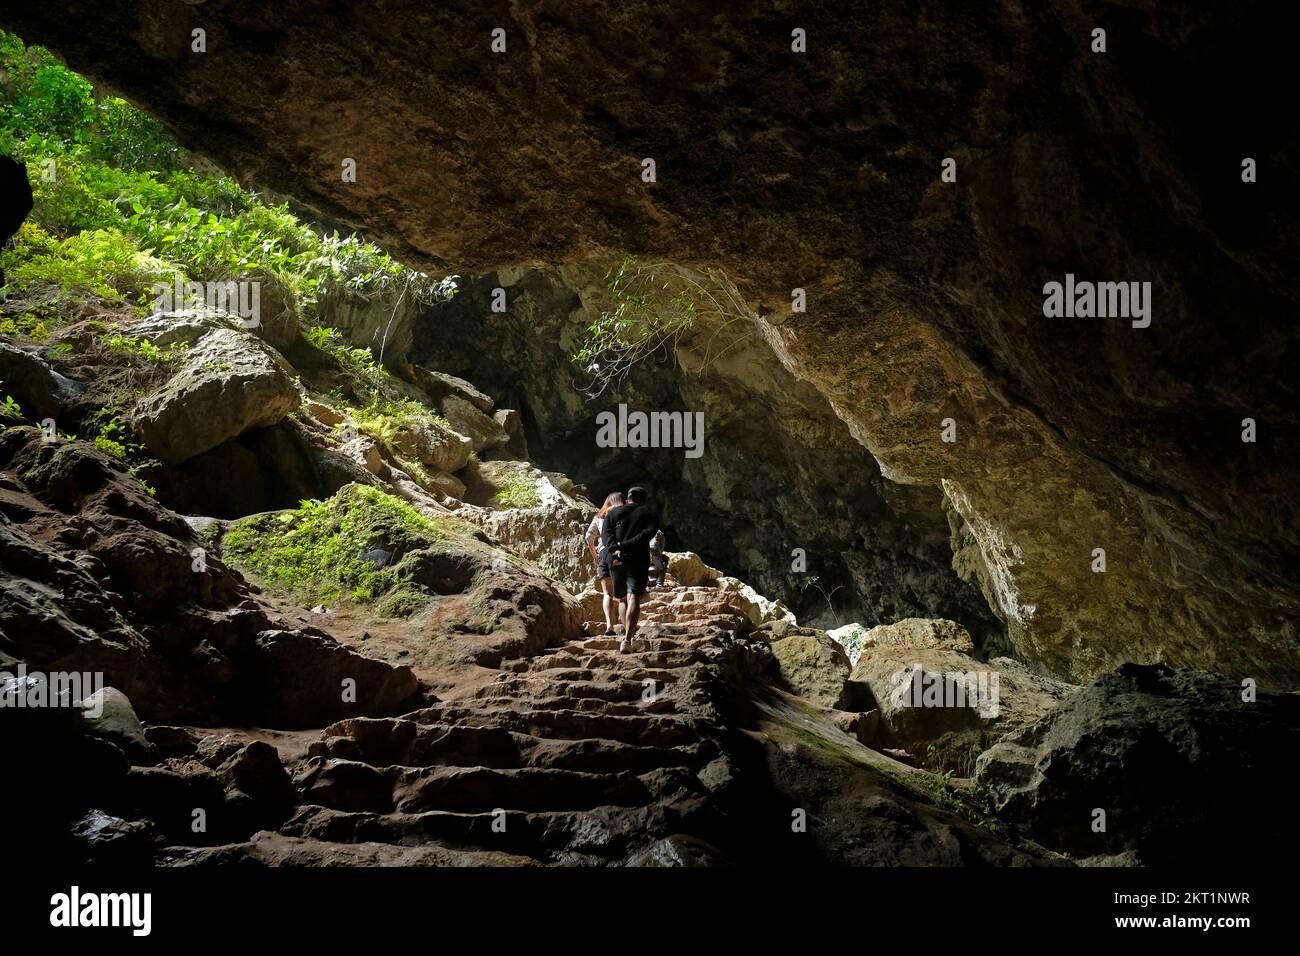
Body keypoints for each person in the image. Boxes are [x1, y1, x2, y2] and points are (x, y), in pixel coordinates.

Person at [601, 486, 660, 653]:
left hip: (617, 559)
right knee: (634, 597)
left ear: (628, 498)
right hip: (638, 558)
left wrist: (616, 548)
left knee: (622, 599)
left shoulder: (612, 513)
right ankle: (628, 639)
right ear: (644, 500)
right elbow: (646, 535)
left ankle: (627, 637)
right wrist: (625, 546)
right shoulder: (650, 514)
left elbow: (606, 535)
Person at [584, 491, 625, 635]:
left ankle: (609, 625)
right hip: (618, 552)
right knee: (622, 595)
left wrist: (595, 555)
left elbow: (588, 538)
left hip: (603, 553)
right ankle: (626, 627)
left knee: (607, 593)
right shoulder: (623, 514)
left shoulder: (599, 516)